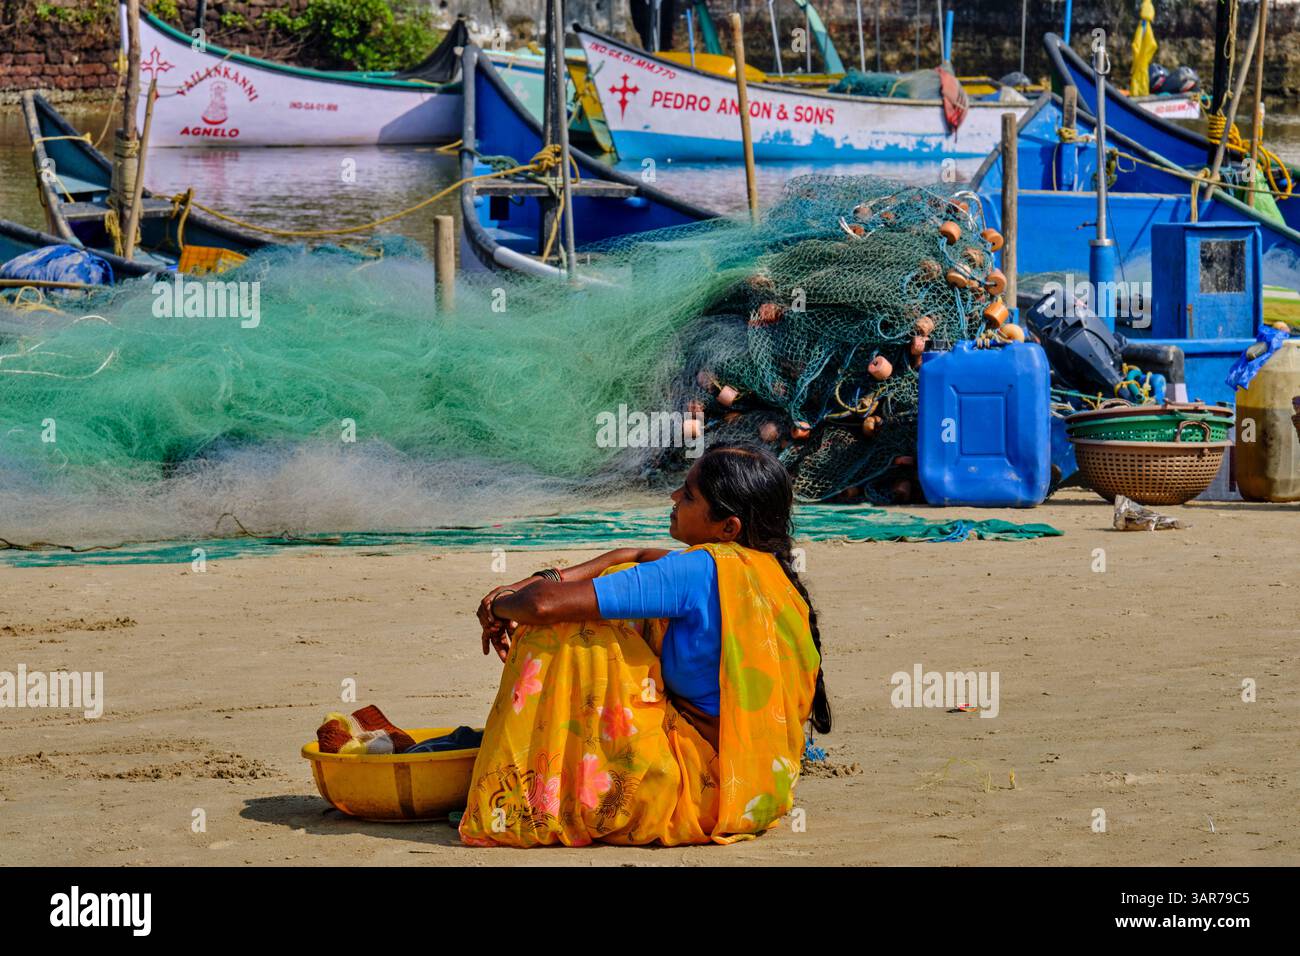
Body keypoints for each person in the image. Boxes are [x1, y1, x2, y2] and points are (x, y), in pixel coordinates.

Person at [459, 444, 831, 847]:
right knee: (617, 583)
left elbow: (543, 605)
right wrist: (541, 576)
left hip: (693, 793)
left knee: (566, 627)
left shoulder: (700, 569)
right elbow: (631, 554)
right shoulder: (766, 569)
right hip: (754, 792)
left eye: (688, 495)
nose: (674, 498)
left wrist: (500, 604)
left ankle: (531, 797)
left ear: (729, 528)